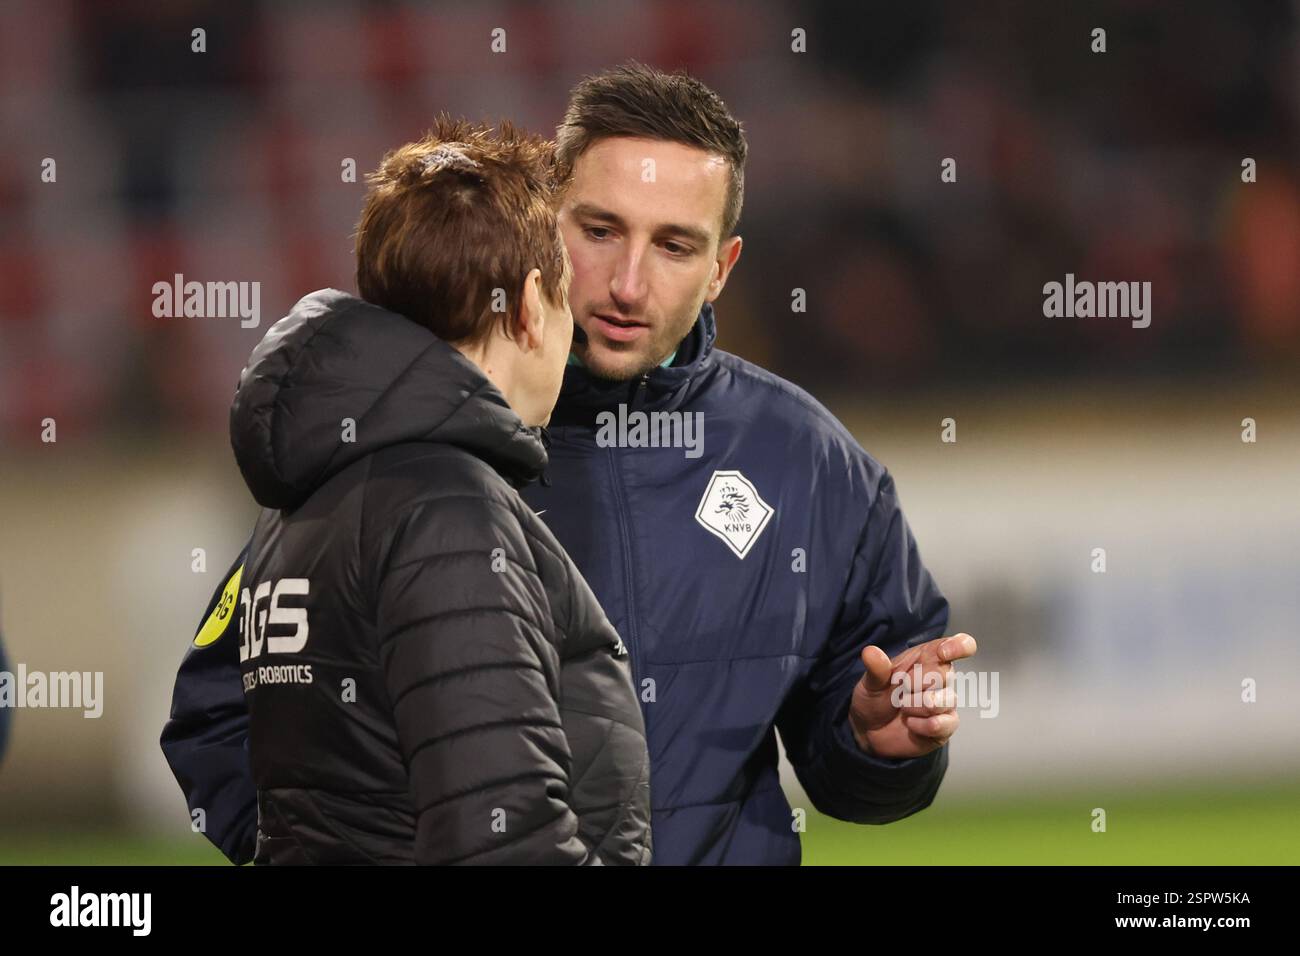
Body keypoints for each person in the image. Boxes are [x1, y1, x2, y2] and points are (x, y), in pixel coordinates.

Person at [163, 63, 976, 866]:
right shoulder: (408, 453)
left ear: (721, 268)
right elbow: (216, 717)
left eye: (673, 246)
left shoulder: (806, 458)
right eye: (600, 231)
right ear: (545, 226)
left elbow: (864, 739)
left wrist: (880, 744)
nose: (628, 284)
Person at [180, 117, 651, 865]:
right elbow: (501, 838)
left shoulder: (302, 504)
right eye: (568, 302)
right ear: (530, 304)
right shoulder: (449, 513)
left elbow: (208, 729)